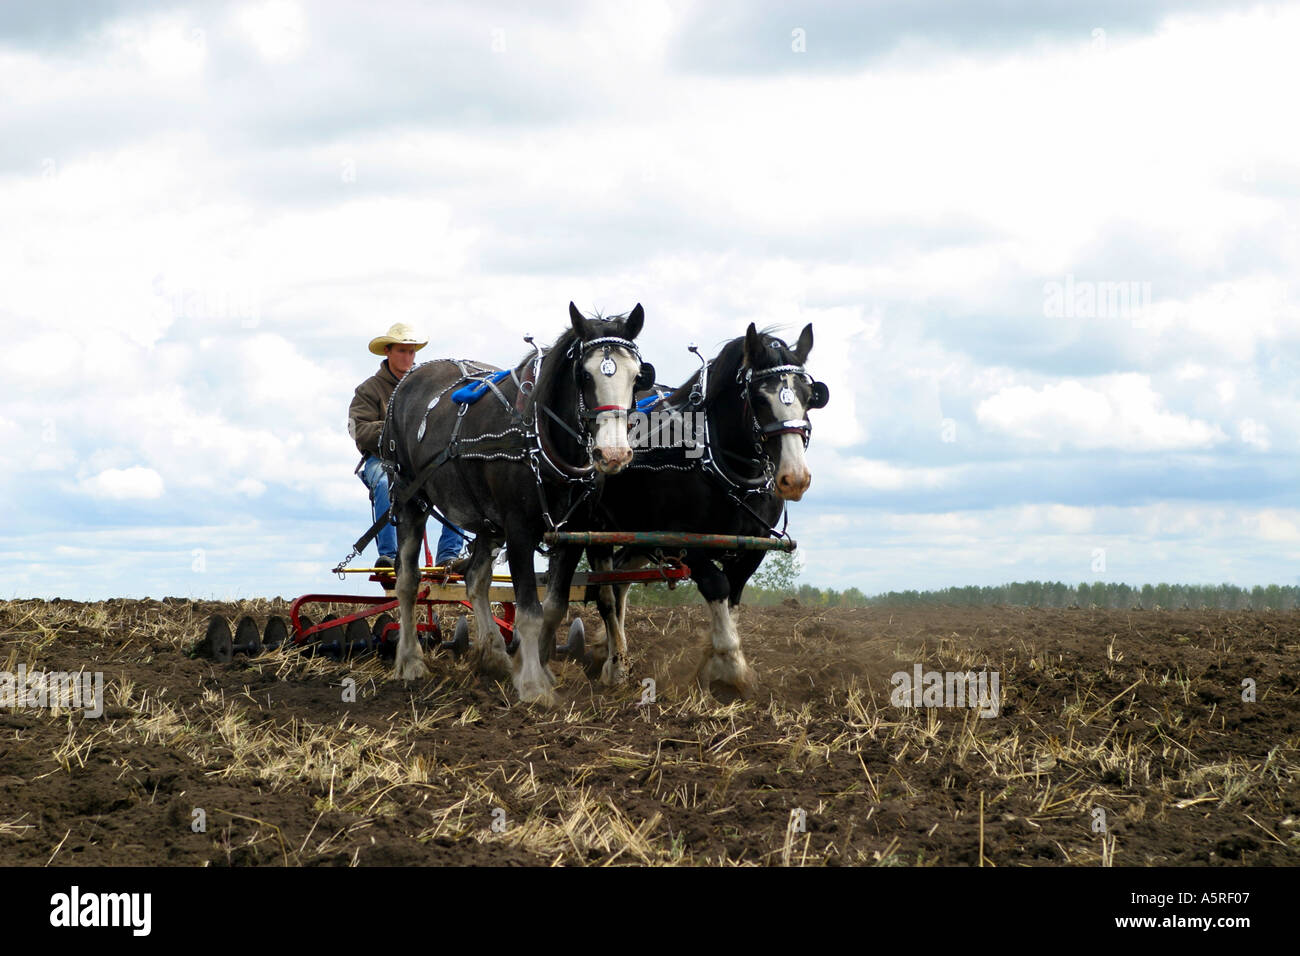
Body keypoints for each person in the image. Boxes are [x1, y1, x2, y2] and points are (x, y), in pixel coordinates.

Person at [348, 322, 465, 569]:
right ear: (388, 352)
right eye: (402, 351)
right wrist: (400, 430)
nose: (408, 357)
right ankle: (390, 556)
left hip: (423, 462)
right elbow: (358, 429)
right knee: (383, 483)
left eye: (411, 351)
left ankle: (449, 557)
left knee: (458, 483)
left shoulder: (430, 387)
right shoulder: (368, 390)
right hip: (383, 460)